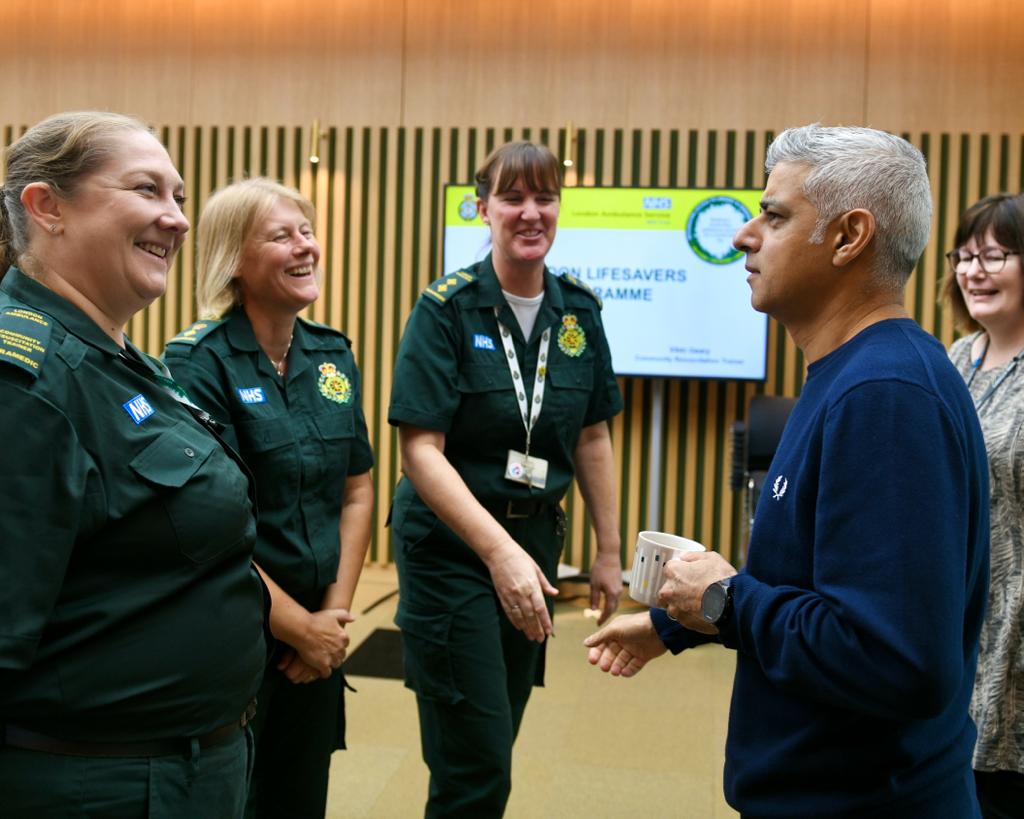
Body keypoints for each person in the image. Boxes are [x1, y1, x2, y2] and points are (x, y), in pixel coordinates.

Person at [585, 124, 990, 817]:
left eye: (773, 216)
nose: (745, 236)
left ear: (848, 236)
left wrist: (726, 601)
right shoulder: (857, 375)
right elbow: (819, 585)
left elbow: (898, 661)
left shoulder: (885, 395)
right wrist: (678, 621)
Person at [0, 112, 267, 817]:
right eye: (147, 190)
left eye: (179, 196)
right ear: (47, 207)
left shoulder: (120, 359)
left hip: (187, 767)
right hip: (99, 783)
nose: (177, 219)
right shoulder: (23, 380)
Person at [388, 140, 624, 817]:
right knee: (477, 764)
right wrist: (498, 552)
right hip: (451, 552)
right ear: (481, 208)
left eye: (544, 198)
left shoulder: (579, 311)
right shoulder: (447, 309)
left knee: (496, 738)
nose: (530, 213)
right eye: (513, 198)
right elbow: (420, 452)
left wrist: (609, 552)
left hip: (536, 550)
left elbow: (592, 435)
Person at [163, 177, 374, 819]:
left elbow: (357, 490)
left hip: (320, 631)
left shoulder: (332, 355)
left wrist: (332, 620)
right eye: (282, 236)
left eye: (306, 231)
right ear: (235, 260)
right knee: (236, 799)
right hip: (240, 633)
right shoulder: (197, 363)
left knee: (302, 796)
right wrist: (299, 629)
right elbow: (208, 527)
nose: (304, 246)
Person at [943, 193, 1024, 818]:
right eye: (965, 257)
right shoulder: (953, 359)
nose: (973, 271)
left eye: (993, 256)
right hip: (958, 613)